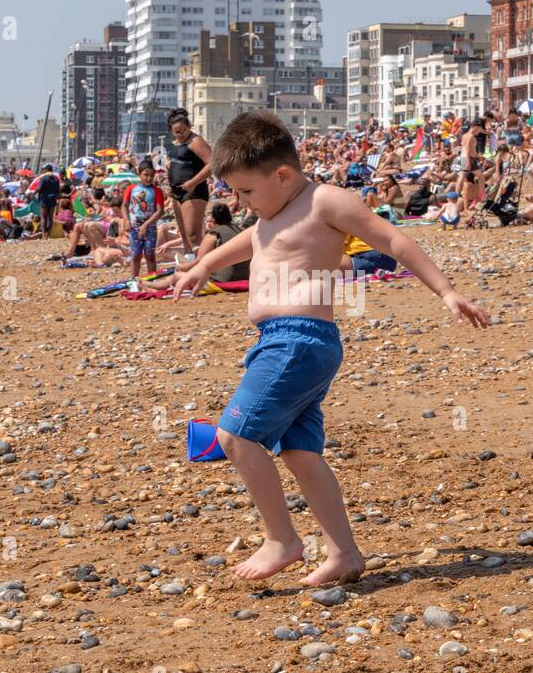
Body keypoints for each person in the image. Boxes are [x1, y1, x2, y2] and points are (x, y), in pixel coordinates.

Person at [170, 111, 489, 585]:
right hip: (283, 343)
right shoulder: (269, 215)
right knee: (300, 452)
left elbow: (396, 241)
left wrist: (446, 291)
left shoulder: (324, 201)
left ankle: (282, 539)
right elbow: (249, 246)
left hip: (297, 341)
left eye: (246, 191)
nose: (239, 202)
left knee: (236, 437)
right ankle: (343, 552)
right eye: (234, 193)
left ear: (282, 174)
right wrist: (202, 266)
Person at [166, 109, 213, 254]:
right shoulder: (177, 143)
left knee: (193, 234)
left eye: (182, 131)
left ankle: (204, 264)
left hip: (193, 191)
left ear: (189, 126)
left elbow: (212, 164)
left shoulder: (195, 141)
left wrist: (193, 182)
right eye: (176, 132)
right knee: (185, 236)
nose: (179, 135)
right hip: (177, 192)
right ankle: (191, 264)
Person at [122, 158, 164, 277]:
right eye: (146, 174)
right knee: (135, 255)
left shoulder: (157, 191)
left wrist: (146, 225)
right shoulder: (131, 189)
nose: (149, 178)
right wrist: (126, 220)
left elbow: (160, 211)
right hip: (134, 228)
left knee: (150, 255)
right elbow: (124, 206)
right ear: (139, 173)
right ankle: (134, 280)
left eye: (151, 175)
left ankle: (152, 280)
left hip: (150, 228)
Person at [36, 165, 61, 235]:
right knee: (50, 218)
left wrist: (34, 193)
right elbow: (58, 191)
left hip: (44, 199)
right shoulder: (56, 179)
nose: (43, 171)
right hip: (52, 199)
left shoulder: (44, 178)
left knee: (43, 217)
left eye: (44, 169)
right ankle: (49, 234)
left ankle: (44, 235)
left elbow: (39, 188)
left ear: (46, 170)